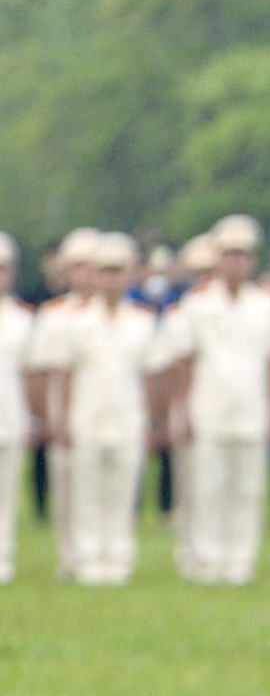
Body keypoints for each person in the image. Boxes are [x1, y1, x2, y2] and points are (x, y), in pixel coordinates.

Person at [152, 215, 270, 584]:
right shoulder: (196, 304)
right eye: (229, 255)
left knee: (247, 488)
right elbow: (184, 361)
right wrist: (184, 407)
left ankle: (239, 561)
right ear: (217, 259)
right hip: (208, 405)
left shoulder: (266, 304)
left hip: (251, 406)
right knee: (207, 487)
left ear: (252, 260)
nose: (236, 262)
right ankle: (206, 561)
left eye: (243, 255)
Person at [36, 233, 159, 584]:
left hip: (127, 416)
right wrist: (61, 419)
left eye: (118, 271)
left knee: (121, 493)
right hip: (86, 416)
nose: (110, 279)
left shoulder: (142, 321)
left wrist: (150, 419)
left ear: (130, 274)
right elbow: (66, 373)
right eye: (104, 271)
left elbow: (148, 375)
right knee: (85, 493)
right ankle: (87, 559)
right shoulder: (74, 320)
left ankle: (117, 558)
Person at [0, 233, 32, 583]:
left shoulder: (23, 320)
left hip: (9, 415)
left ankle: (3, 559)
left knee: (6, 494)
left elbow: (32, 374)